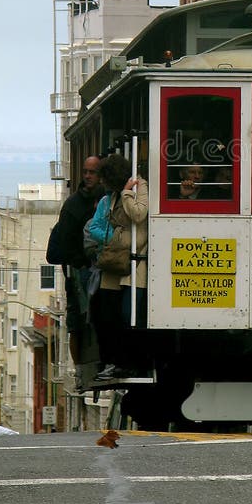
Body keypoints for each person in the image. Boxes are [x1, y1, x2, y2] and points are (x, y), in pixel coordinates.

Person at [88, 155, 148, 380]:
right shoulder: (111, 196)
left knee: (128, 315)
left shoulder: (138, 186)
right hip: (115, 262)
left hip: (134, 263)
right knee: (106, 315)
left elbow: (139, 214)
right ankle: (112, 361)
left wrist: (126, 193)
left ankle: (130, 362)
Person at [55, 155, 103, 392]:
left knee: (97, 318)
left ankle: (97, 365)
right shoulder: (74, 205)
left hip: (98, 267)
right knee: (77, 323)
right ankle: (81, 371)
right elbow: (63, 242)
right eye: (85, 171)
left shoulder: (104, 200)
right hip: (79, 271)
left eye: (92, 172)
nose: (87, 176)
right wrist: (80, 263)